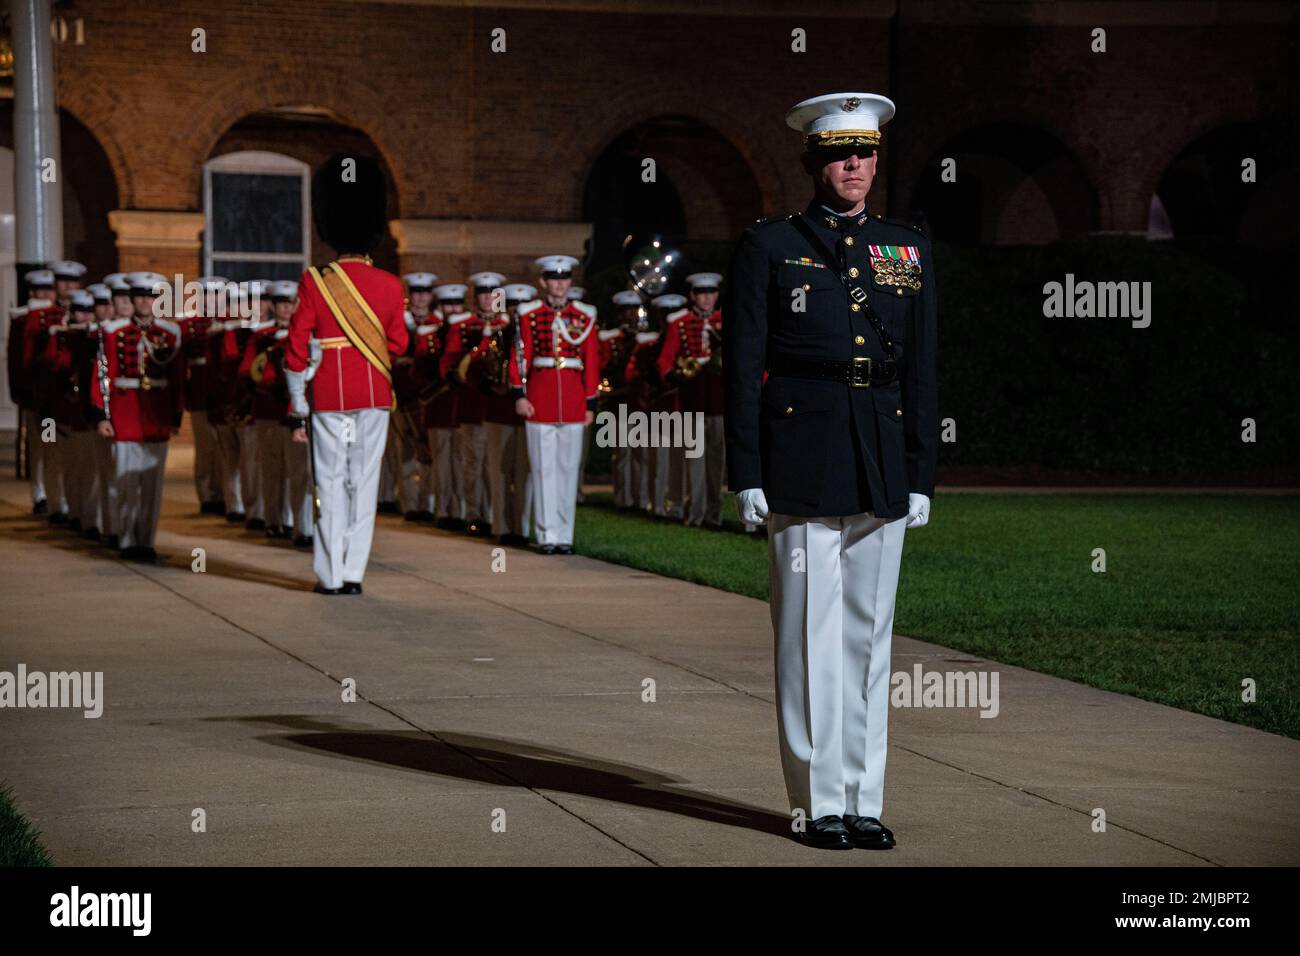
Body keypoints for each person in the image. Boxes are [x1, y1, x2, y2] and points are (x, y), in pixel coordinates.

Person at [724, 93, 938, 851]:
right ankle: (817, 802)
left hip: (879, 446)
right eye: (841, 153)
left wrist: (921, 475)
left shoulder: (904, 247)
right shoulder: (772, 244)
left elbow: (921, 371)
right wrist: (746, 469)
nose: (855, 165)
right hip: (802, 448)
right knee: (810, 638)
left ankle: (863, 797)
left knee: (869, 638)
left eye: (867, 153)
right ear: (815, 162)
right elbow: (744, 361)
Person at [284, 154, 409, 596]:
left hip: (329, 395)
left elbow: (296, 346)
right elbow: (398, 346)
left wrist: (297, 404)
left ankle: (329, 574)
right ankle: (355, 573)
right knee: (364, 482)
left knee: (329, 483)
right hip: (373, 393)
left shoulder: (315, 282)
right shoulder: (392, 286)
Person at [89, 271, 184, 561]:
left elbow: (178, 378)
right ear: (132, 299)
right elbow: (103, 375)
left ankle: (146, 540)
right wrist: (102, 415)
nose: (145, 302)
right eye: (140, 296)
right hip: (125, 411)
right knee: (125, 482)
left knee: (152, 485)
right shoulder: (113, 331)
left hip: (156, 414)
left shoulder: (171, 333)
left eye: (151, 297)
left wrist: (176, 416)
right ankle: (127, 540)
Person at [508, 255, 599, 555]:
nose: (560, 284)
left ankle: (565, 536)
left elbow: (591, 362)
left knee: (569, 469)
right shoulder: (530, 314)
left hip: (573, 399)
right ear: (543, 282)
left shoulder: (585, 316)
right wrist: (519, 395)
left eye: (564, 278)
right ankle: (547, 535)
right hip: (540, 398)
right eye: (554, 279)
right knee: (543, 470)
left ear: (570, 282)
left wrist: (590, 403)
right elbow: (520, 357)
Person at [657, 273, 725, 527]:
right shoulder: (680, 323)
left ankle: (714, 514)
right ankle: (695, 512)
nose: (706, 297)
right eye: (701, 293)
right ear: (692, 296)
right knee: (694, 462)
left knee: (717, 462)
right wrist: (672, 374)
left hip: (719, 402)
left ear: (716, 295)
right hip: (691, 401)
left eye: (711, 292)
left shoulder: (724, 321)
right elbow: (665, 359)